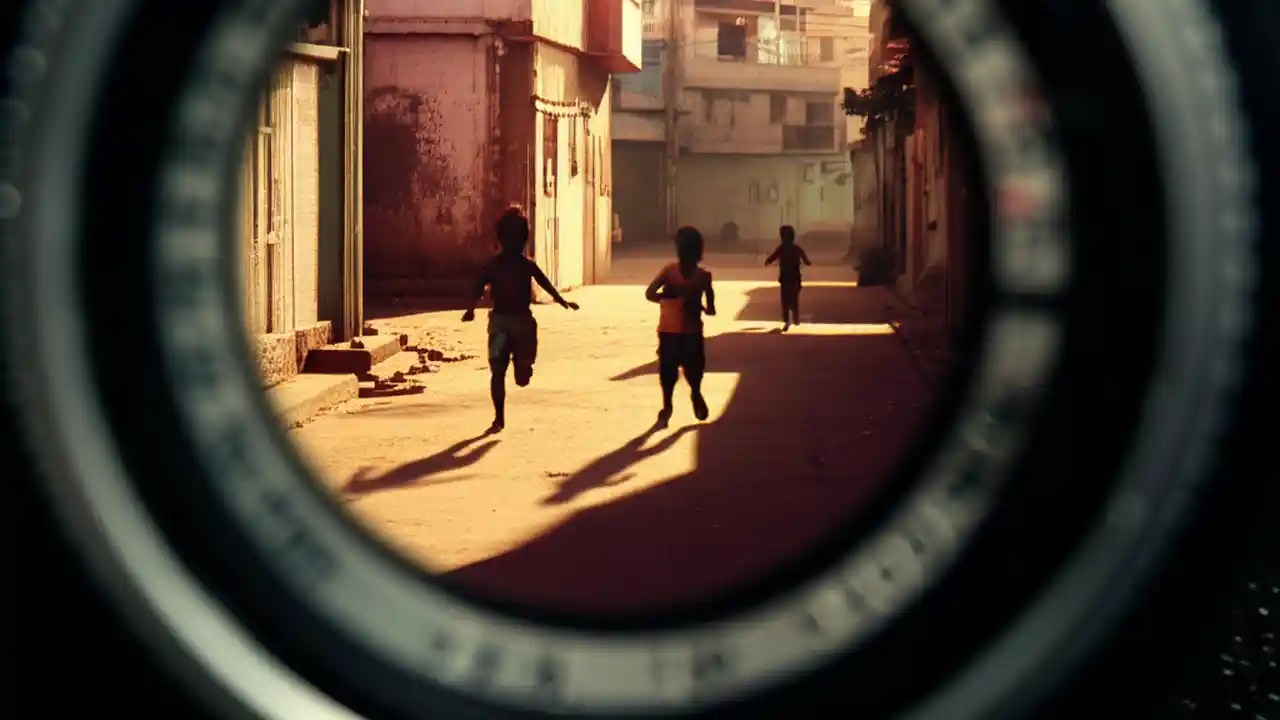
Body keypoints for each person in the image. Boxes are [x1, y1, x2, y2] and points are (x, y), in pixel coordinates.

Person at [462, 207, 579, 434]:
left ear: (500, 239)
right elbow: (546, 284)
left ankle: (499, 417)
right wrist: (562, 300)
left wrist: (470, 310)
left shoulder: (496, 266)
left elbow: (477, 289)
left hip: (501, 324)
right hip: (519, 324)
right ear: (525, 239)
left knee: (498, 372)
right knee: (514, 375)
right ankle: (517, 378)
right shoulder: (524, 265)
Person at [645, 226, 716, 429]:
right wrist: (703, 307)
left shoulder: (669, 272)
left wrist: (668, 299)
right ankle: (695, 392)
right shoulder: (703, 276)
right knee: (694, 367)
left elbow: (650, 293)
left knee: (668, 369)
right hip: (692, 331)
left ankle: (667, 406)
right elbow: (711, 306)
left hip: (669, 329)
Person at [764, 225, 812, 331]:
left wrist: (767, 261)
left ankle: (786, 319)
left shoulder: (781, 248)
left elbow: (772, 257)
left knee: (785, 299)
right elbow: (806, 261)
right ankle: (795, 316)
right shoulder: (797, 248)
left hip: (785, 277)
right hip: (795, 277)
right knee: (794, 298)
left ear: (782, 237)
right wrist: (807, 263)